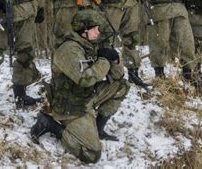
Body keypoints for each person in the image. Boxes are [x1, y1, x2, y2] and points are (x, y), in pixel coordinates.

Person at [30, 9, 129, 163]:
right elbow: (85, 79)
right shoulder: (68, 49)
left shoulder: (90, 45)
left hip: (86, 96)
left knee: (121, 86)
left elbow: (118, 77)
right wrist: (103, 60)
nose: (98, 32)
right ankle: (50, 125)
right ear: (84, 30)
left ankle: (97, 129)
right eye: (95, 28)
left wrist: (115, 60)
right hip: (70, 105)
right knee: (91, 154)